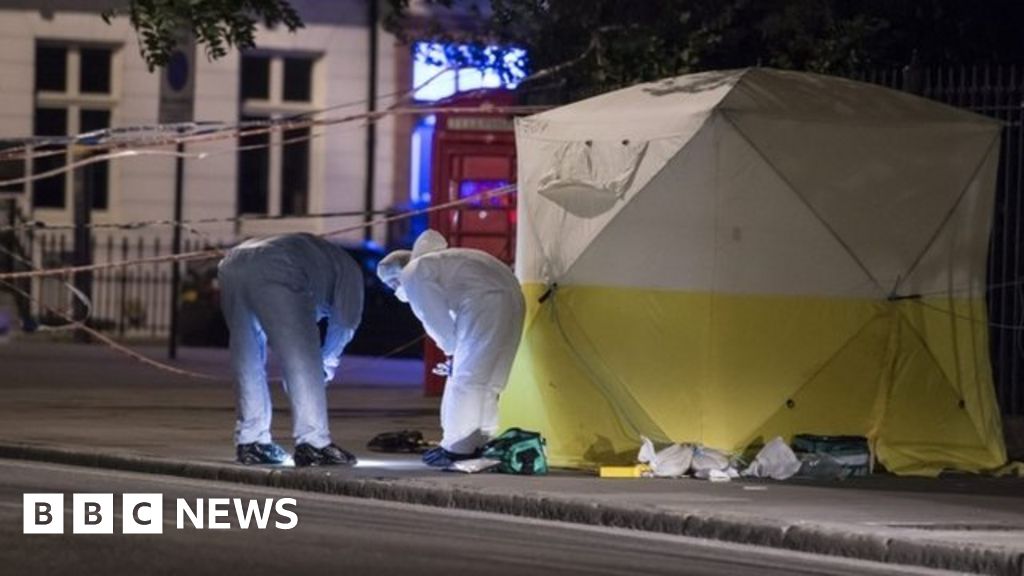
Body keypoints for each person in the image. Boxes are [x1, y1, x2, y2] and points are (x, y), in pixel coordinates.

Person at [377, 229, 526, 467]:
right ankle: (482, 440)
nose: (395, 289)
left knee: (466, 381)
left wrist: (452, 352)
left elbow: (433, 318)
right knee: (488, 381)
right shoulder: (444, 263)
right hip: (512, 298)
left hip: (484, 303)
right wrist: (456, 353)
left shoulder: (414, 272)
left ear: (397, 276)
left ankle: (458, 448)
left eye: (392, 283)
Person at [217, 233, 363, 467]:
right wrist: (327, 362)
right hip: (281, 263)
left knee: (246, 356)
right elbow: (345, 324)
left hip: (232, 262)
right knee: (303, 358)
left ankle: (251, 441)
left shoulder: (325, 261)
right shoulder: (352, 274)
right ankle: (314, 443)